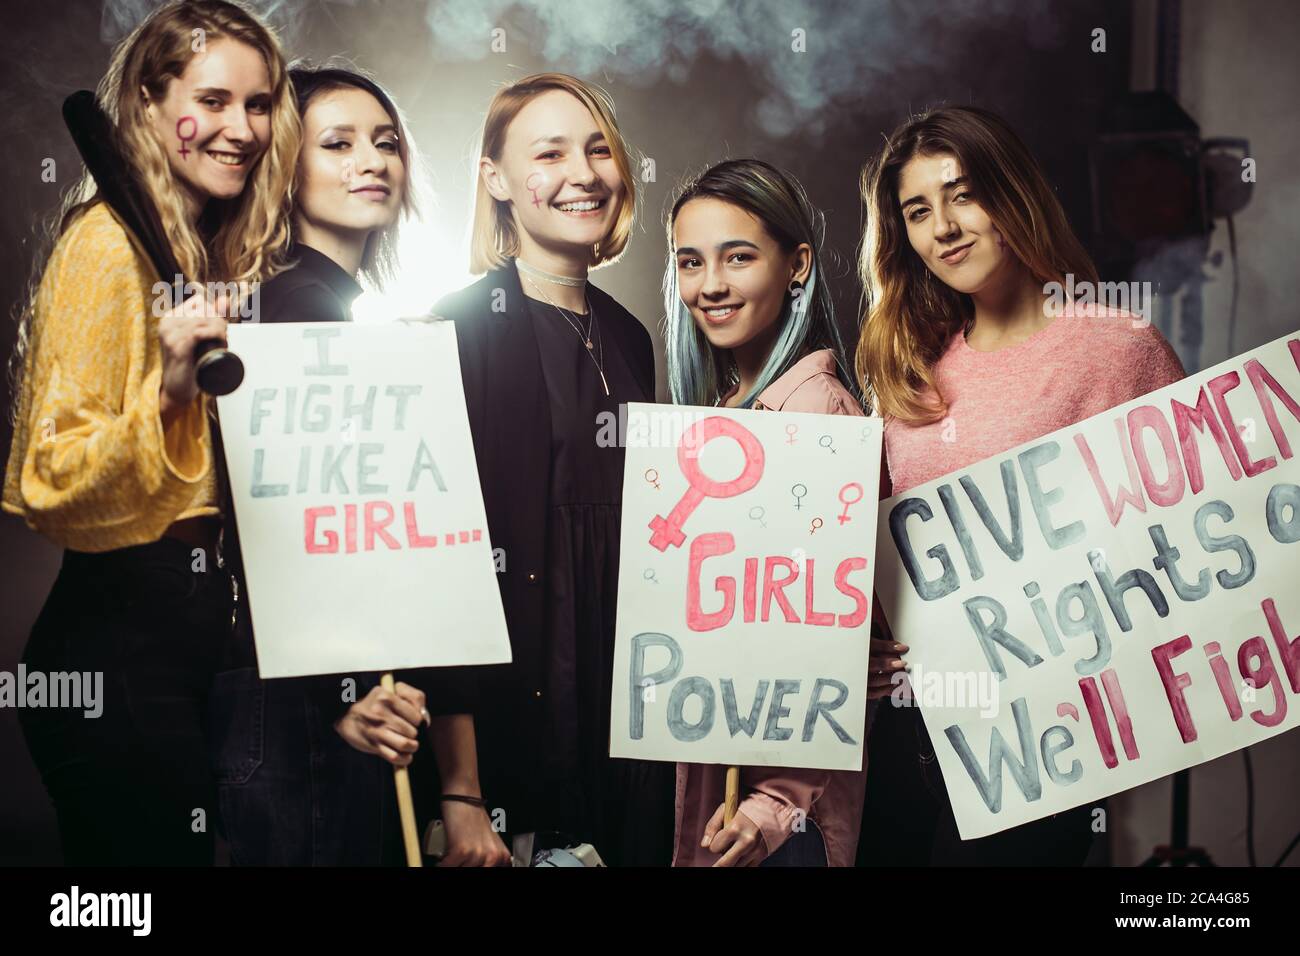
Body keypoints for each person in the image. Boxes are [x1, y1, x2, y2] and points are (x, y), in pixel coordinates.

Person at [3, 0, 298, 865]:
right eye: (211, 100)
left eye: (258, 103)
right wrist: (168, 393)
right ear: (144, 103)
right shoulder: (105, 246)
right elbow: (49, 480)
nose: (240, 128)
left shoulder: (199, 258)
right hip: (116, 656)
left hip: (185, 649)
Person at [854, 104, 1185, 866]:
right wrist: (865, 645)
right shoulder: (910, 378)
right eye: (917, 210)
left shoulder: (1118, 347)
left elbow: (1180, 533)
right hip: (912, 737)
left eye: (962, 192)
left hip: (1047, 740)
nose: (944, 226)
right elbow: (881, 559)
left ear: (1013, 194)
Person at [208, 63, 508, 866]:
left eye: (384, 143)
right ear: (284, 168)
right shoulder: (295, 307)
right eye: (336, 144)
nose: (370, 161)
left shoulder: (330, 303)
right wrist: (334, 696)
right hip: (303, 707)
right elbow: (269, 521)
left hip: (319, 699)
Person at [430, 72, 671, 866]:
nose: (584, 172)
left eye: (599, 149)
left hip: (629, 713)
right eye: (551, 152)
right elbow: (444, 567)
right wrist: (462, 795)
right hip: (519, 725)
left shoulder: (632, 335)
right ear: (496, 179)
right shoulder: (456, 331)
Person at [663, 158, 868, 867]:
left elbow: (836, 644)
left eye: (738, 257)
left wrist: (772, 804)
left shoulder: (818, 413)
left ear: (798, 266)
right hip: (719, 802)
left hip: (781, 829)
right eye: (691, 262)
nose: (710, 285)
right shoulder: (720, 420)